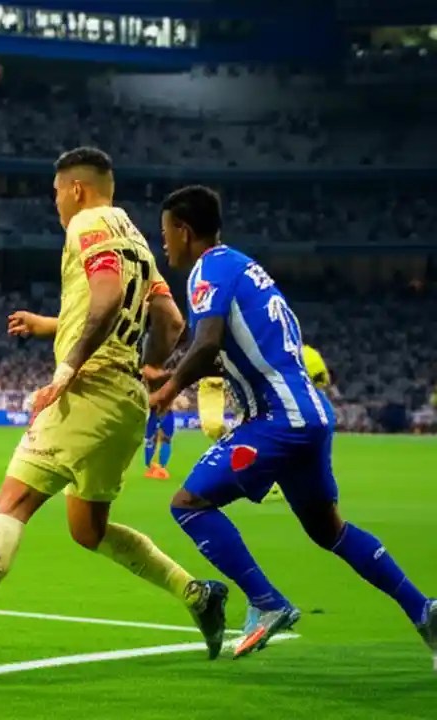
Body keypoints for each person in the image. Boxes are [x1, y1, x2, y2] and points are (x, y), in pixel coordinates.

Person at [0, 148, 227, 667]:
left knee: (12, 500)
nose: (56, 205)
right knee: (87, 529)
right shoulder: (136, 238)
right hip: (124, 403)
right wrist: (131, 365)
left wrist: (66, 369)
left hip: (86, 392)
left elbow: (109, 296)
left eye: (55, 194)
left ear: (75, 189)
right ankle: (198, 595)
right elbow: (170, 321)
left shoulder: (88, 222)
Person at [148, 184, 436, 661]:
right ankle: (423, 610)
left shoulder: (209, 268)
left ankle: (266, 602)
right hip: (310, 415)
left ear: (184, 229)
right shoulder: (248, 269)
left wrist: (167, 388)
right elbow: (242, 348)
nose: (164, 244)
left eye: (165, 233)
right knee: (331, 531)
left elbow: (208, 341)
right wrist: (177, 368)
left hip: (276, 418)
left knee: (189, 504)